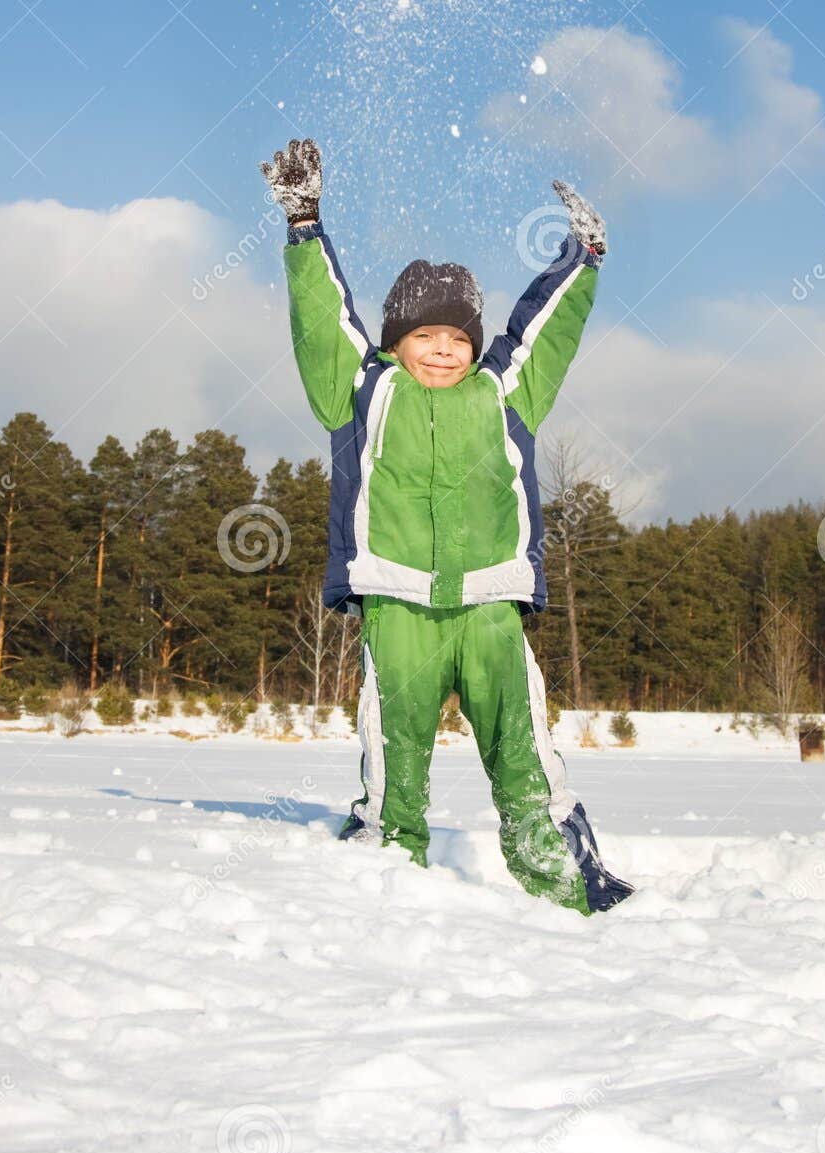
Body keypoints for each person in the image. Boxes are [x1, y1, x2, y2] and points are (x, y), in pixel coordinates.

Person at [260, 137, 632, 917]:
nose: (441, 350)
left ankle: (566, 880)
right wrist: (304, 224)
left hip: (492, 609)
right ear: (396, 342)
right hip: (397, 607)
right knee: (395, 755)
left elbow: (545, 330)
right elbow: (323, 319)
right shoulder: (359, 394)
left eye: (457, 337)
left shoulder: (503, 394)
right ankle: (388, 881)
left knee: (524, 751)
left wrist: (583, 255)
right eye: (424, 336)